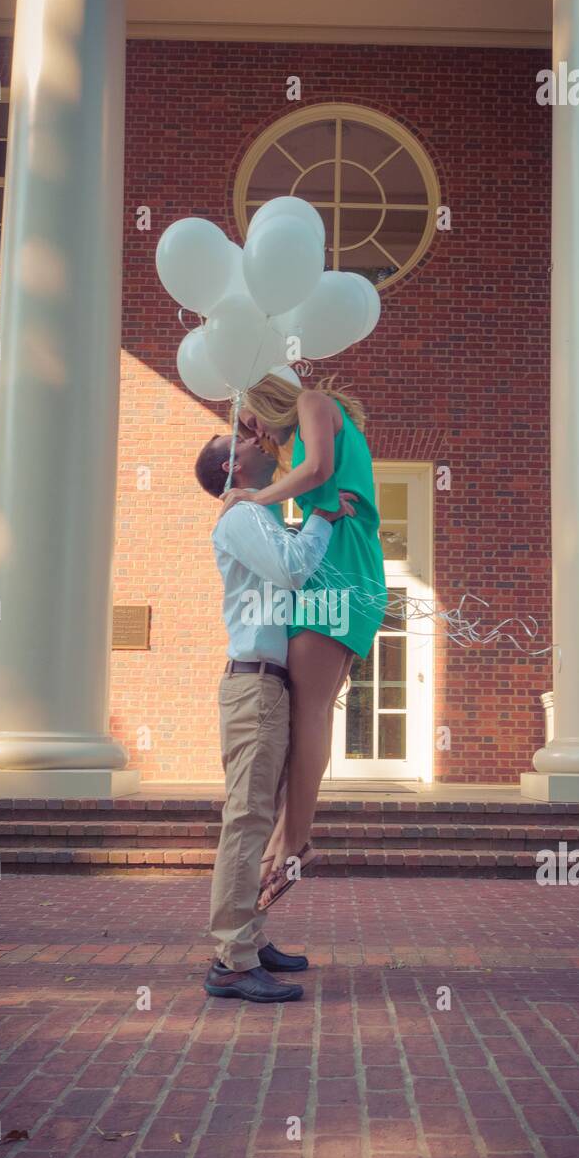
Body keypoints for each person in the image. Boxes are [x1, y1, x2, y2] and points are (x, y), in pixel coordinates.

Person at [194, 427, 356, 1003]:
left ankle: (250, 938)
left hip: (271, 687)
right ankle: (230, 961)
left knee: (259, 817)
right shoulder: (241, 517)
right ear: (233, 467)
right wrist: (324, 518)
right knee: (247, 819)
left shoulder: (257, 511)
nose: (260, 439)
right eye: (242, 437)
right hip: (255, 688)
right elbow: (292, 569)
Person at [220, 374, 387, 910]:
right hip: (341, 563)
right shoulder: (315, 427)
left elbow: (317, 471)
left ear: (267, 399)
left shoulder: (315, 401)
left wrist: (253, 495)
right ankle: (286, 841)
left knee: (310, 710)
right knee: (308, 710)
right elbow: (315, 478)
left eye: (251, 420)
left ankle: (293, 842)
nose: (257, 434)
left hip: (341, 565)